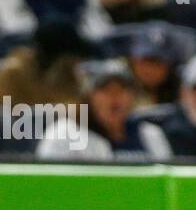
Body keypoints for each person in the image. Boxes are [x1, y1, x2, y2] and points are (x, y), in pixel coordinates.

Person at [36, 58, 172, 161]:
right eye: (106, 90)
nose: (115, 97)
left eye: (122, 90)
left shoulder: (150, 135)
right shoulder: (64, 135)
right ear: (89, 97)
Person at [0, 16, 97, 108]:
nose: (76, 63)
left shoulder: (69, 75)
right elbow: (3, 124)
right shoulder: (13, 74)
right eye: (73, 57)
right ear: (58, 59)